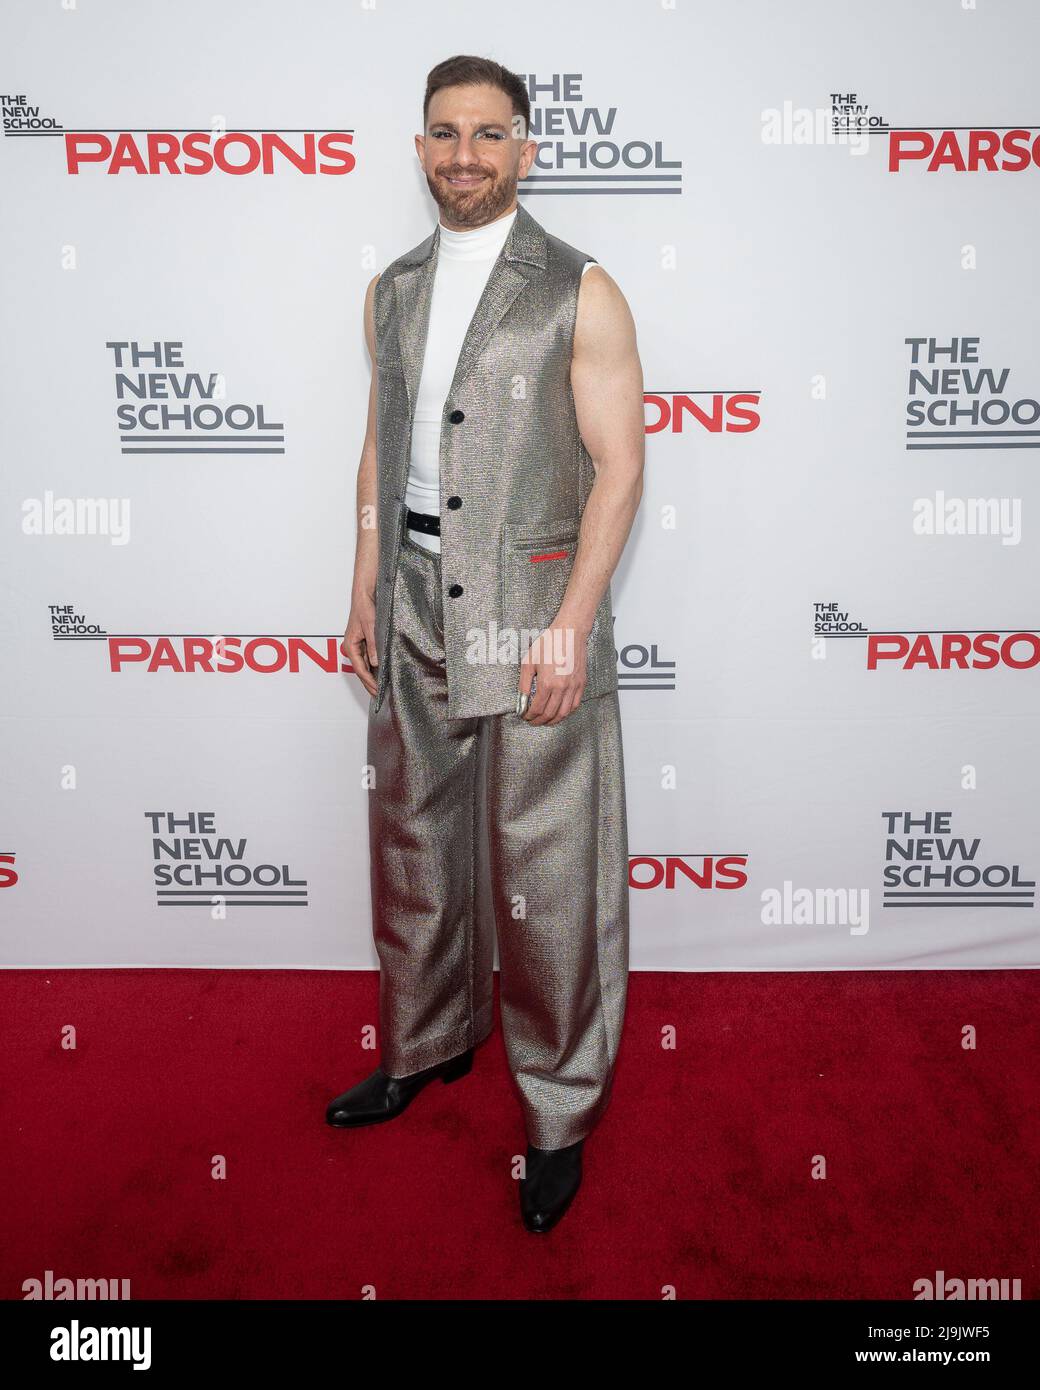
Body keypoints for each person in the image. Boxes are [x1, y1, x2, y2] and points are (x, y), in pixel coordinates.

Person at [328, 53, 644, 1234]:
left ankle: (558, 1112)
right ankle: (425, 1043)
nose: (462, 154)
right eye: (442, 133)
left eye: (486, 133)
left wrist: (572, 625)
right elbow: (378, 448)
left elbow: (619, 467)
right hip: (410, 592)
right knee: (411, 834)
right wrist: (362, 582)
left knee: (544, 872)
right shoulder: (393, 288)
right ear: (419, 147)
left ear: (524, 147)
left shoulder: (579, 288)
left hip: (527, 605)